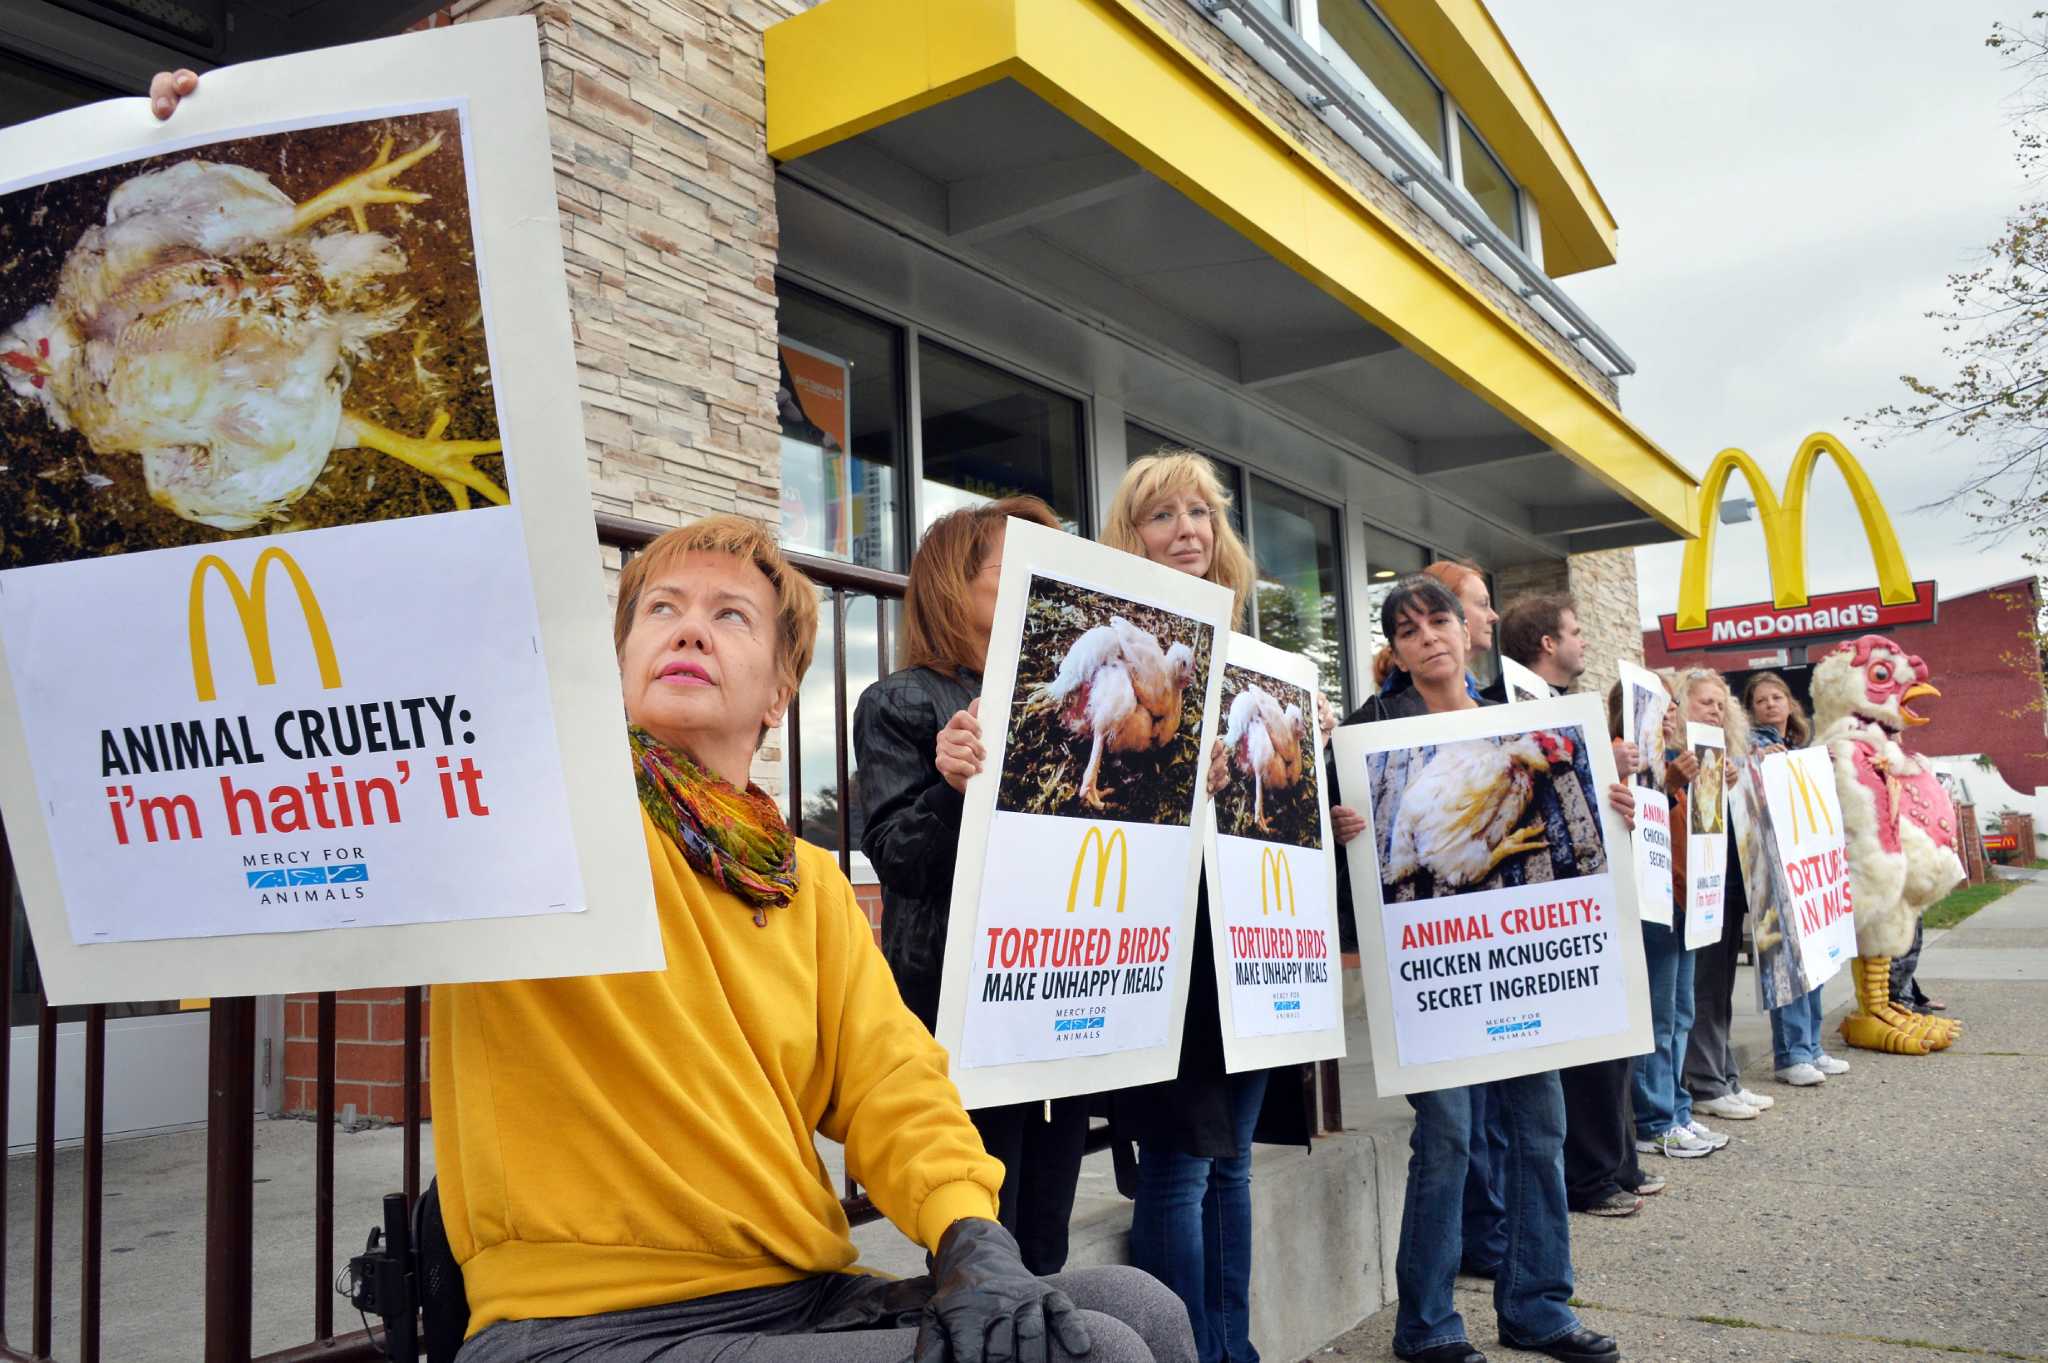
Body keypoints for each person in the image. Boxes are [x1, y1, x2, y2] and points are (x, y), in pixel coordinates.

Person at [148, 76, 1196, 1363]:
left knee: (1134, 1305)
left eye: (732, 615)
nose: (690, 624)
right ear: (621, 655)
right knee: (1099, 1355)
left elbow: (888, 1084)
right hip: (585, 1328)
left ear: (778, 692)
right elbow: (355, 592)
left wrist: (967, 1233)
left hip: (793, 1290)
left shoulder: (805, 884)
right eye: (660, 609)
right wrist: (226, 188)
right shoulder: (529, 807)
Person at [1333, 576, 1627, 1363]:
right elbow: (1348, 859)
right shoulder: (1368, 734)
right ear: (1394, 651)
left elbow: (1578, 823)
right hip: (1431, 975)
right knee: (1451, 1131)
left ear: (1468, 632)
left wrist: (1619, 809)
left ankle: (1539, 1305)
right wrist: (1340, 828)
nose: (1428, 636)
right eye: (1408, 628)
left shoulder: (1518, 719)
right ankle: (1427, 1322)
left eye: (1439, 620)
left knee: (1540, 1127)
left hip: (1519, 962)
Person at [1098, 450, 1324, 1363]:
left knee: (1233, 1158)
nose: (1186, 528)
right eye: (1161, 516)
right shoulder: (1123, 649)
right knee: (1181, 1167)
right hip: (1167, 944)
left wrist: (1321, 779)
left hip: (1251, 937)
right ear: (1129, 535)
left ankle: (1234, 1350)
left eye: (1200, 512)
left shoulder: (1252, 653)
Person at [855, 496, 1092, 1276]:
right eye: (1018, 560)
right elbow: (897, 854)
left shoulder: (1072, 695)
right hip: (961, 1003)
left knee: (1047, 1233)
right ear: (958, 584)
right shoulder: (902, 702)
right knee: (982, 1241)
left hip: (1057, 988)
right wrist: (952, 786)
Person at [1496, 597, 1656, 1216]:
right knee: (1587, 1054)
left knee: (1616, 1039)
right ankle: (1590, 1177)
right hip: (1552, 901)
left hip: (1596, 892)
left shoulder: (1571, 709)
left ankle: (1620, 1163)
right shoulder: (1513, 706)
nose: (1584, 642)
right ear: (1544, 644)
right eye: (1576, 632)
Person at [1616, 676, 1717, 1162]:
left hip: (1679, 898)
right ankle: (1654, 1119)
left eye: (1675, 703)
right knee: (1658, 1018)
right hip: (1650, 900)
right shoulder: (1627, 754)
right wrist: (1673, 783)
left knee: (1680, 1013)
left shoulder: (1671, 757)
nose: (1673, 711)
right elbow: (1638, 815)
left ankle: (1675, 1109)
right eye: (1665, 703)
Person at [1670, 669, 1776, 1126]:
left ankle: (1725, 1073)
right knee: (1704, 990)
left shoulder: (1726, 758)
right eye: (1704, 702)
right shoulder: (1675, 756)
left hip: (1729, 881)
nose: (1714, 709)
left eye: (1720, 703)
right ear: (1680, 708)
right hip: (1696, 887)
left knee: (1721, 987)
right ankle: (1706, 1082)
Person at [1743, 672, 1849, 1087]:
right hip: (1774, 868)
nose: (1770, 705)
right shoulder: (1752, 746)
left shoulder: (1800, 748)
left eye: (1777, 697)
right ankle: (1791, 1054)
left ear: (1790, 703)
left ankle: (1812, 1046)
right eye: (1760, 700)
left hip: (1807, 870)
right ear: (1750, 711)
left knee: (1816, 959)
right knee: (1788, 962)